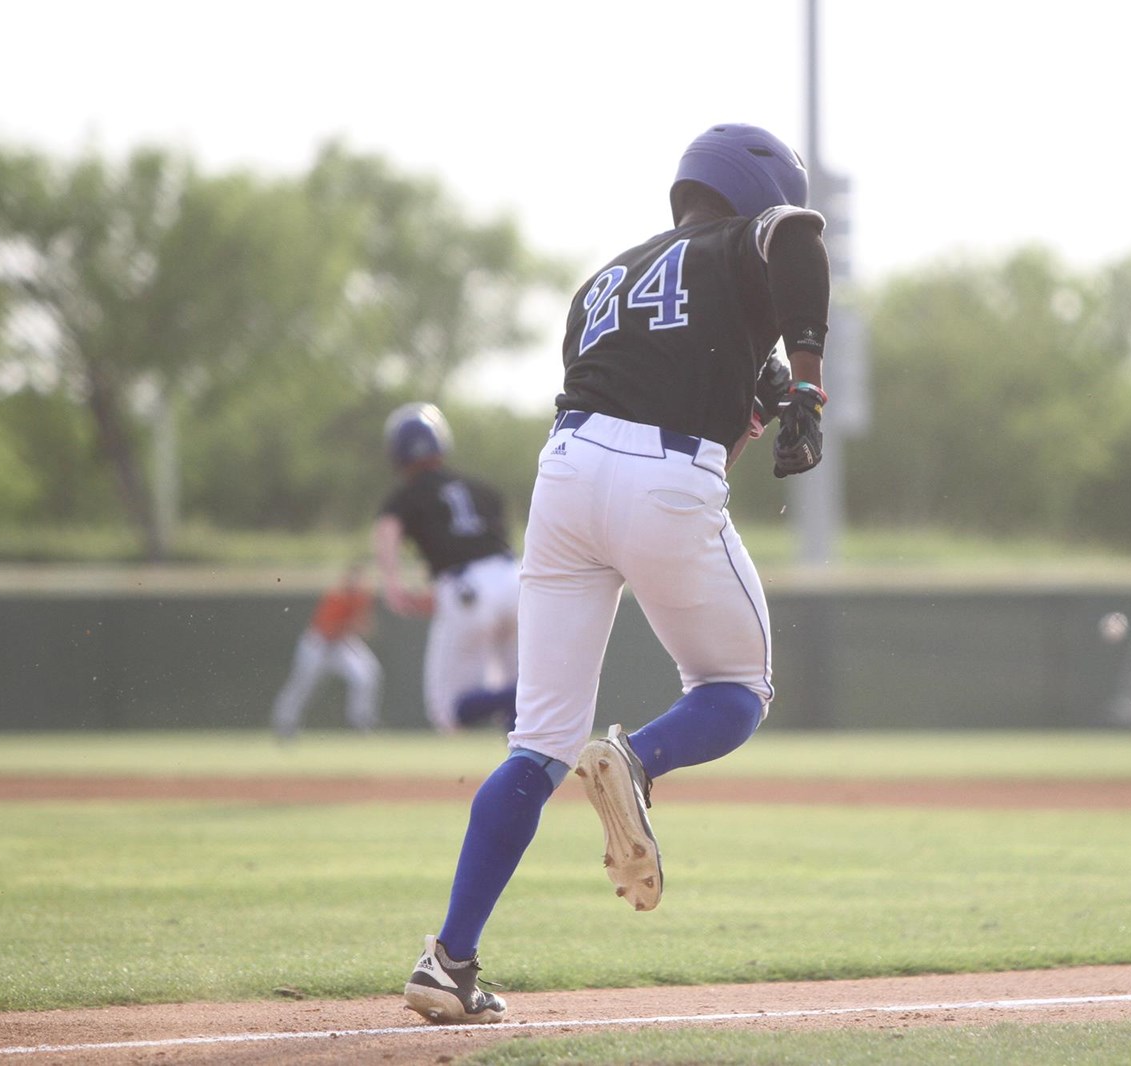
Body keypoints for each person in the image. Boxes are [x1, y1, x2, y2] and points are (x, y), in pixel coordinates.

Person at [401, 122, 831, 1025]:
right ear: (756, 188)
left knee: (537, 744)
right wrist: (810, 383)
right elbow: (797, 238)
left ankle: (449, 961)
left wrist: (760, 413)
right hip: (662, 474)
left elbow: (659, 402)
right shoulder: (742, 238)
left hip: (562, 477)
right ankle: (637, 760)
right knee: (737, 687)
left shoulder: (605, 280)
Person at [374, 402, 520, 735]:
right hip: (515, 580)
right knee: (525, 701)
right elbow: (484, 548)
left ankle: (514, 699)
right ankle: (526, 777)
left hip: (466, 589)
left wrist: (393, 584)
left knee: (448, 711)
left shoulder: (407, 495)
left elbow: (388, 530)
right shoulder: (483, 490)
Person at [269, 562, 382, 741]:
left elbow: (365, 624)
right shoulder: (337, 595)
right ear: (347, 579)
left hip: (341, 644)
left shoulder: (362, 596)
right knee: (303, 684)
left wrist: (360, 625)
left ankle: (361, 720)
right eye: (354, 577)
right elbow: (329, 629)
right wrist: (356, 626)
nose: (357, 581)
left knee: (367, 672)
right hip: (318, 644)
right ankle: (285, 722)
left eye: (360, 578)